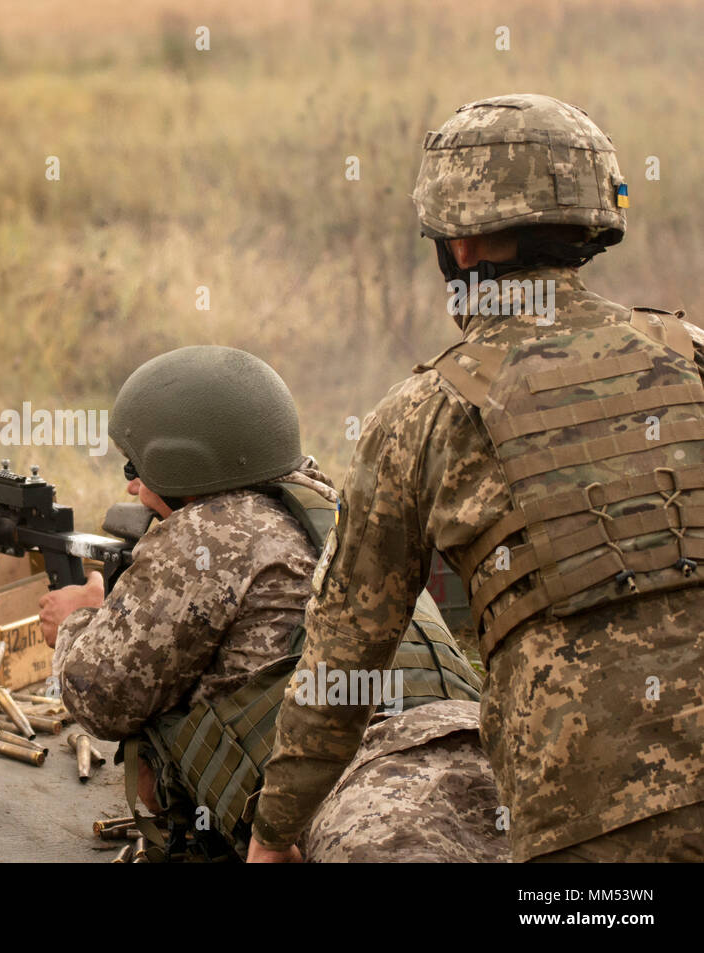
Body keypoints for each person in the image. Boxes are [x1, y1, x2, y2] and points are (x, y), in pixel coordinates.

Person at [251, 94, 704, 864]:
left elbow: (345, 655)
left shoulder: (425, 413)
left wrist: (274, 830)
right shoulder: (693, 352)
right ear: (587, 229)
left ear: (457, 248)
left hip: (587, 824)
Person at [40, 345, 504, 862]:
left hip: (369, 795)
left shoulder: (205, 534)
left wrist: (77, 617)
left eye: (136, 465)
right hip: (489, 756)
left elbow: (101, 699)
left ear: (182, 463)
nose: (131, 483)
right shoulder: (340, 506)